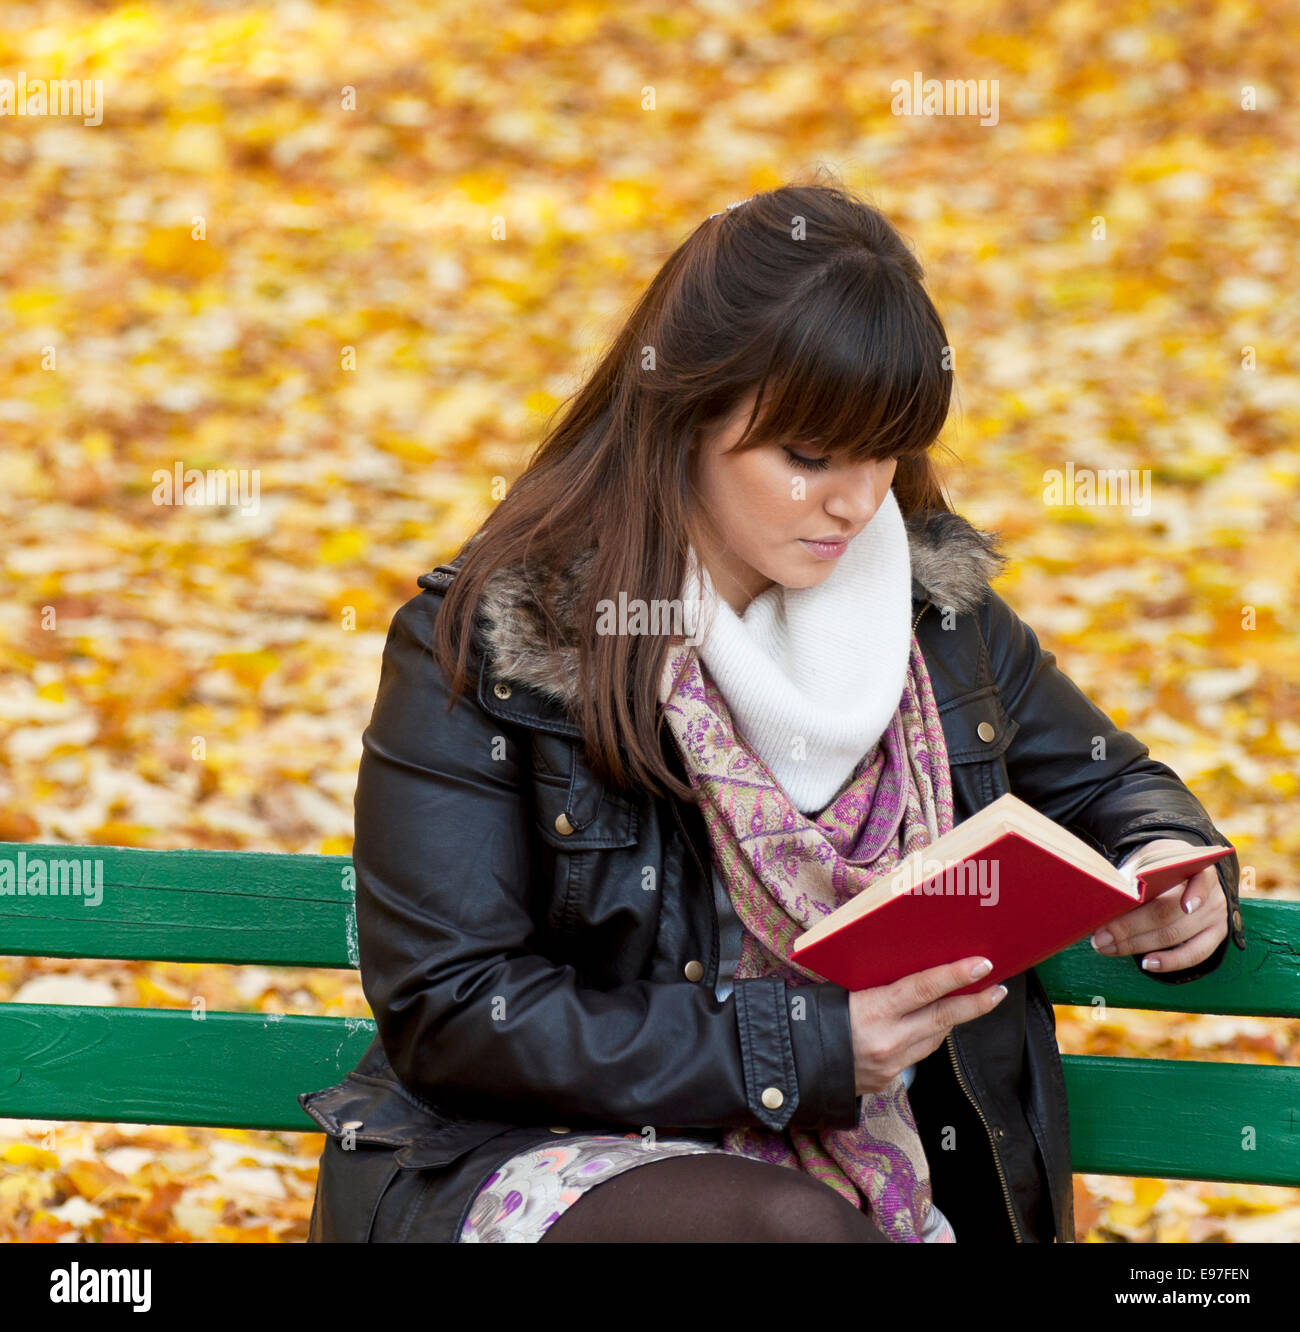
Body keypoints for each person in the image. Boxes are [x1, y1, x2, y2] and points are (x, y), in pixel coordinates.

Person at [301, 178, 1244, 1244]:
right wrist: (802, 1045)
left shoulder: (933, 615)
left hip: (868, 1183)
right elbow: (453, 1010)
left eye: (883, 450)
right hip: (539, 1167)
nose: (855, 500)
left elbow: (1112, 784)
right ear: (684, 416)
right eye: (808, 458)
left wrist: (1174, 866)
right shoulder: (490, 643)